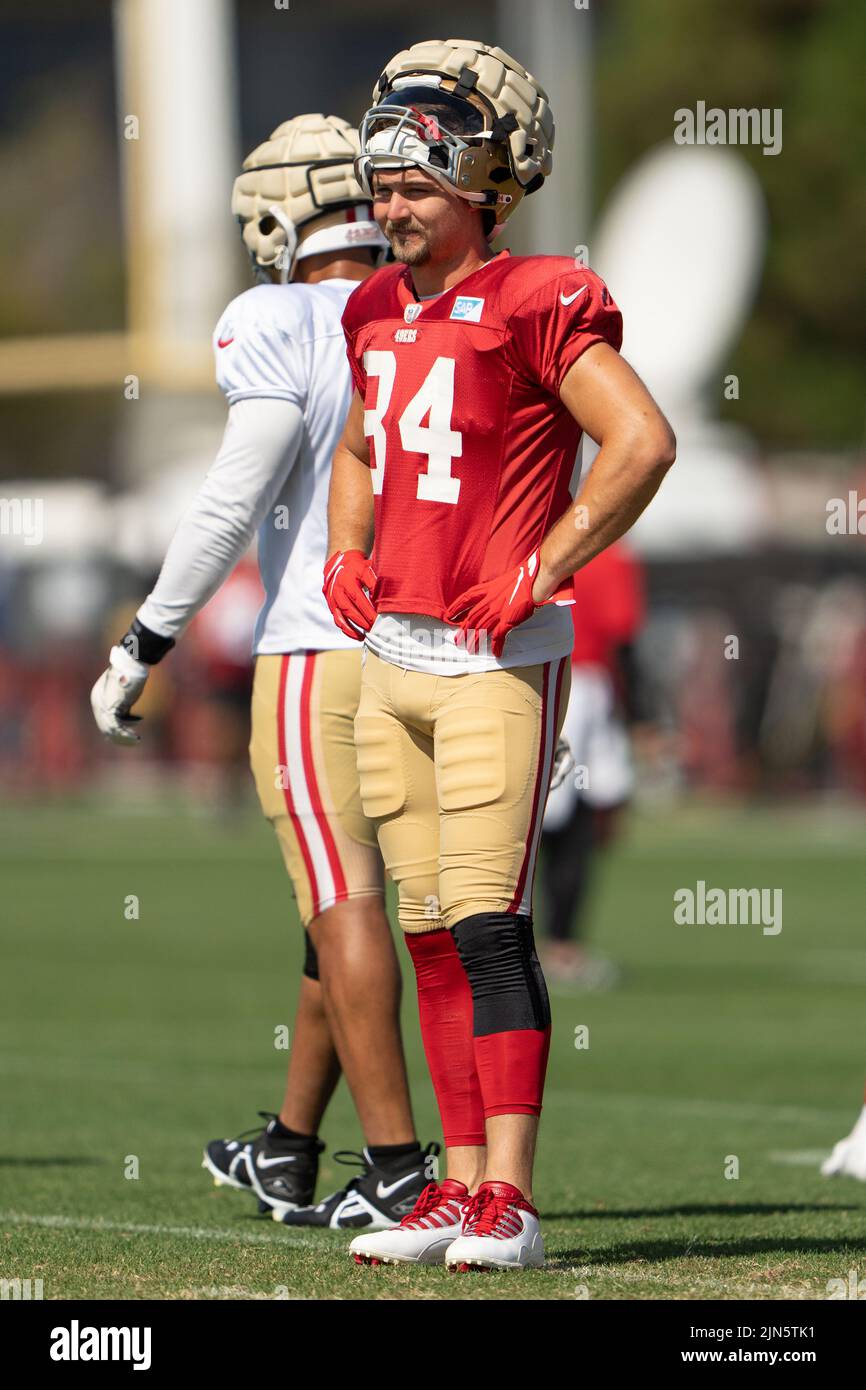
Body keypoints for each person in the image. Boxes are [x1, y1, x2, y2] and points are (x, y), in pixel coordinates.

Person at [323, 38, 675, 1270]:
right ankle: (452, 1188)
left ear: (485, 188)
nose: (392, 208)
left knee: (486, 926)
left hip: (493, 660)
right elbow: (362, 447)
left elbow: (639, 441)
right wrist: (343, 549)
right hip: (392, 654)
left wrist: (545, 558)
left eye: (416, 187)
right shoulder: (372, 305)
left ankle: (510, 1198)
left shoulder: (538, 298)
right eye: (383, 186)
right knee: (423, 930)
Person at [91, 115, 436, 1231]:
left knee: (341, 904)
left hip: (316, 644)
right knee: (340, 909)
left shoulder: (280, 312)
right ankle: (288, 1149)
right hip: (427, 647)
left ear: (284, 212)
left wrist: (145, 639)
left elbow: (233, 494)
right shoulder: (422, 309)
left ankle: (394, 1169)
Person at [540, 541, 645, 989]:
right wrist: (642, 715)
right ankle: (549, 944)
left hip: (553, 677)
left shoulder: (546, 536)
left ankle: (561, 942)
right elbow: (624, 639)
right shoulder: (612, 553)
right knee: (556, 823)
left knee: (580, 816)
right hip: (577, 685)